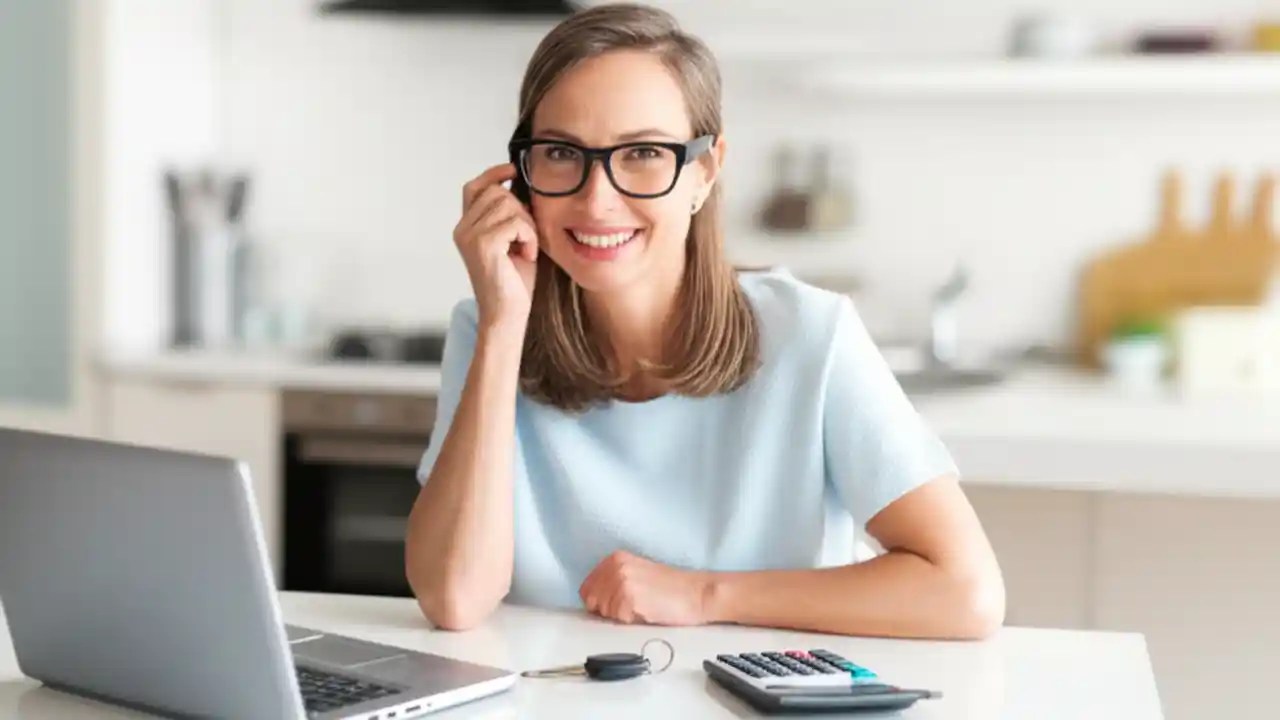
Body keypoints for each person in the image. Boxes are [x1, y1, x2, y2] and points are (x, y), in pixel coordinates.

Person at [405, 2, 1004, 639]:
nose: (596, 198)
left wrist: (702, 594)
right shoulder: (490, 326)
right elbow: (454, 599)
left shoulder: (809, 334)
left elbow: (964, 591)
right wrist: (503, 328)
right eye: (560, 152)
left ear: (705, 171)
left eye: (641, 153)